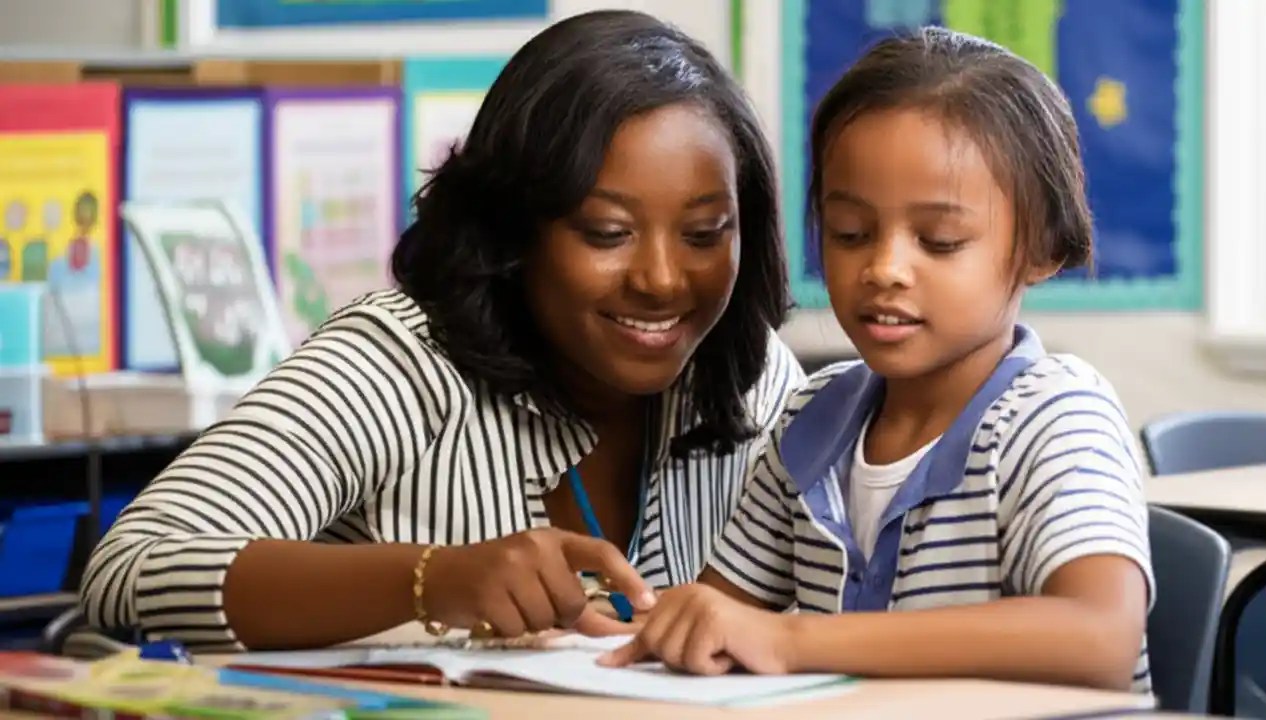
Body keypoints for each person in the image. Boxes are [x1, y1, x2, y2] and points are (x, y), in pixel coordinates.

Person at [79, 9, 804, 653]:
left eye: (706, 234)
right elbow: (128, 572)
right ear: (513, 229)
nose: (663, 280)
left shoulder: (753, 377)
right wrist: (433, 580)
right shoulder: (396, 361)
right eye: (606, 232)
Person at [602, 27, 1153, 693]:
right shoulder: (814, 415)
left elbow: (1099, 638)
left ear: (1042, 249)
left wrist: (794, 638)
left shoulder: (1057, 415)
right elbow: (721, 614)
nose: (884, 268)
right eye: (850, 234)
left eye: (940, 241)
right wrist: (622, 622)